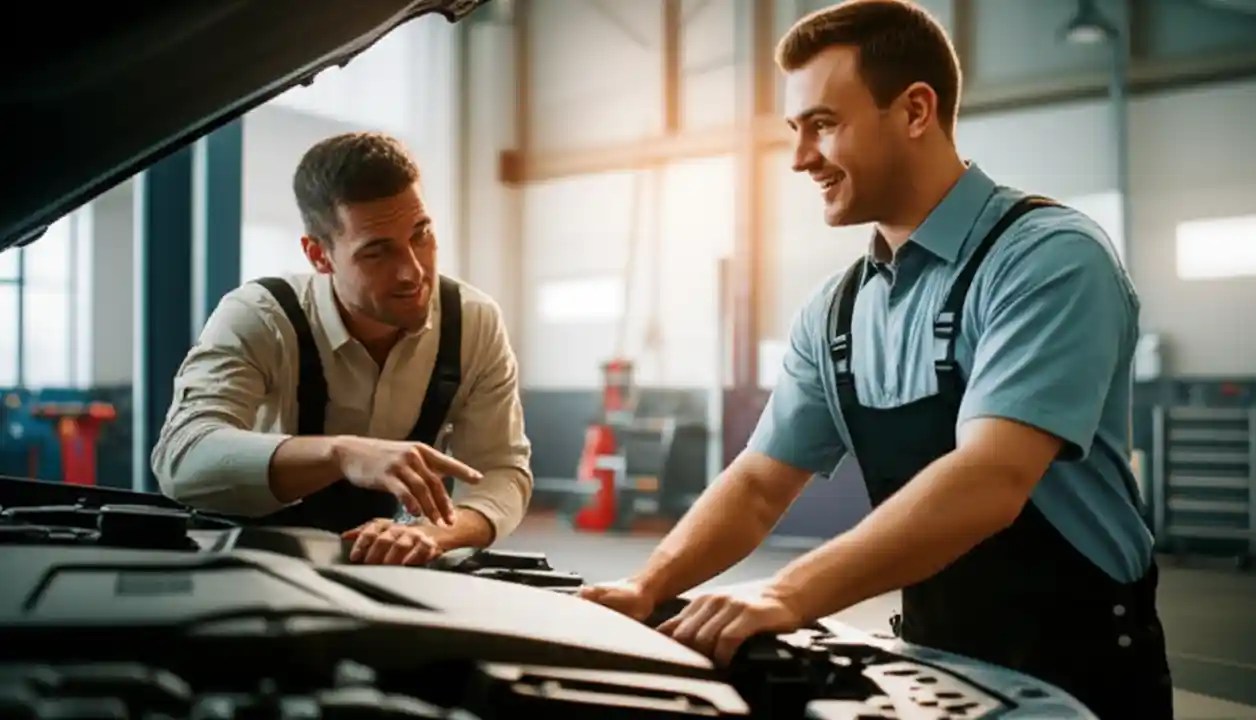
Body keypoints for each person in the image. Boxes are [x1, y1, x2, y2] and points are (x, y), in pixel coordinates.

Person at [577, 1, 1172, 717]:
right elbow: (760, 483)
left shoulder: (1048, 259)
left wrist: (787, 592)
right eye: (795, 130)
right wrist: (647, 586)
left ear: (916, 110)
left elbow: (992, 478)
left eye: (824, 124)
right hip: (935, 666)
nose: (800, 158)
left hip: (1084, 674)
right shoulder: (835, 312)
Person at [152, 131, 533, 565]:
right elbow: (182, 456)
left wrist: (433, 533)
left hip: (382, 570)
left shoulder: (473, 323)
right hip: (248, 566)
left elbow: (500, 470)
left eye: (421, 234)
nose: (412, 272)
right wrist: (343, 454)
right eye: (377, 253)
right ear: (319, 255)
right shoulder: (260, 316)